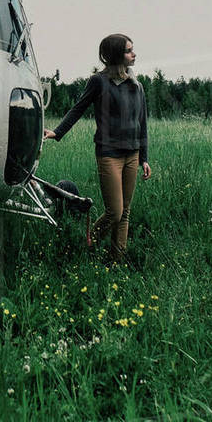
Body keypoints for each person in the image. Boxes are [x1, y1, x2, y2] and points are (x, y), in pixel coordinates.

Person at [43, 34, 152, 260]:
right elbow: (78, 108)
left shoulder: (137, 85)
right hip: (109, 153)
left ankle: (117, 260)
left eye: (133, 49)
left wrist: (144, 158)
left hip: (132, 154)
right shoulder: (99, 82)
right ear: (115, 55)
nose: (134, 54)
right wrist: (57, 132)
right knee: (115, 211)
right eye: (128, 50)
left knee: (125, 213)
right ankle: (88, 241)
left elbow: (142, 123)